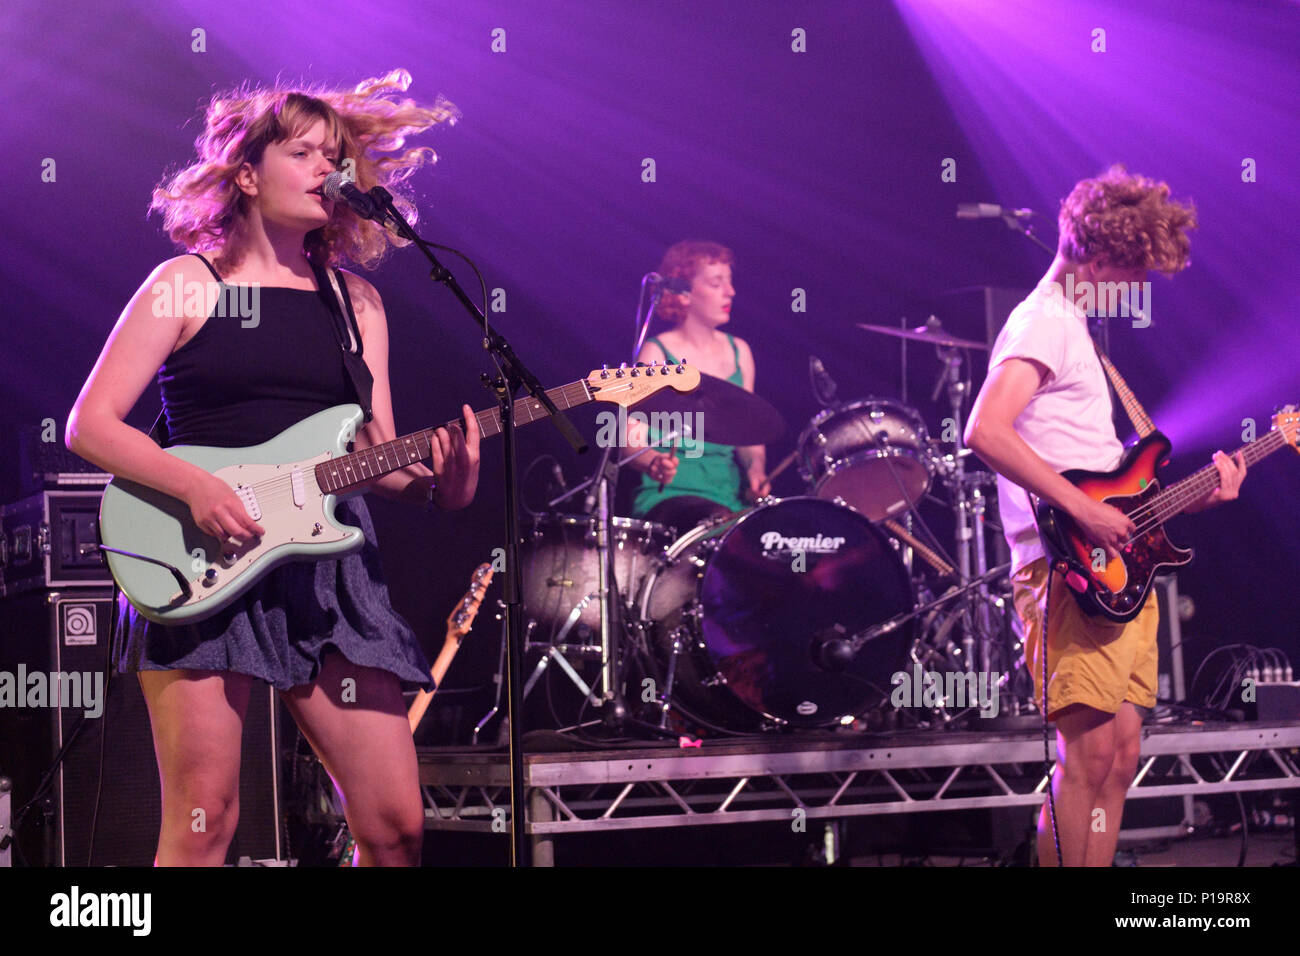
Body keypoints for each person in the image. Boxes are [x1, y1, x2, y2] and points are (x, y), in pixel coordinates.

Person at [65, 70, 480, 866]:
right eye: (307, 153)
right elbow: (90, 424)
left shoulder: (356, 301)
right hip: (203, 558)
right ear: (248, 173)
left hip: (333, 573)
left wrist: (440, 486)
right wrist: (195, 485)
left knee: (396, 828)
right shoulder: (187, 282)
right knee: (206, 822)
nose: (332, 171)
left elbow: (377, 456)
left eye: (339, 157)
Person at [965, 166, 1246, 867]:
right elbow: (985, 431)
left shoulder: (1075, 329)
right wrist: (1081, 511)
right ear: (1096, 258)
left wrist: (1193, 498)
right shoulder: (1043, 321)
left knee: (1119, 759)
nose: (1136, 290)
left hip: (1114, 570)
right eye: (1132, 272)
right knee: (1086, 760)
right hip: (1066, 570)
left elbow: (1111, 481)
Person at [624, 240, 769, 531]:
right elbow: (629, 441)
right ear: (684, 294)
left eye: (729, 282)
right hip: (671, 496)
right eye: (717, 283)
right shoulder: (657, 352)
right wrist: (653, 462)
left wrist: (756, 469)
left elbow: (748, 435)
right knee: (717, 526)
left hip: (728, 499)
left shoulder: (740, 351)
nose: (731, 291)